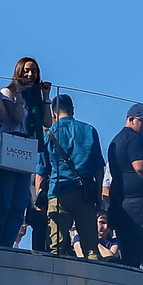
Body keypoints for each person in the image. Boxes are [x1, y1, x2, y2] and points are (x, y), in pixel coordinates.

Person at [37, 93, 103, 259]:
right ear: (73, 110)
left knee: (56, 247)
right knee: (91, 247)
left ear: (53, 113)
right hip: (85, 193)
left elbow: (42, 171)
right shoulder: (89, 130)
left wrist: (40, 196)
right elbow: (99, 168)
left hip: (58, 192)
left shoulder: (48, 133)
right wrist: (98, 194)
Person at [105, 103, 143, 272]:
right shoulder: (134, 139)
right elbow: (140, 166)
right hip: (141, 206)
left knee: (131, 253)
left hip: (124, 205)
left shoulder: (117, 140)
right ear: (131, 120)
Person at [0, 57, 50, 248]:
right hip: (10, 149)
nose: (30, 74)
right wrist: (18, 91)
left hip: (27, 151)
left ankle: (8, 244)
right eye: (26, 70)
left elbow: (47, 122)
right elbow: (17, 117)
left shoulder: (34, 97)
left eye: (33, 71)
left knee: (19, 205)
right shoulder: (7, 93)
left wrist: (45, 96)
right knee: (5, 201)